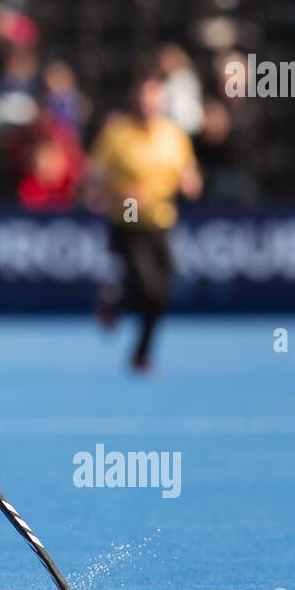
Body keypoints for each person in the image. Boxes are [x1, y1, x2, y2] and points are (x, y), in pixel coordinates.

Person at [83, 69, 201, 373]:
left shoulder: (173, 136)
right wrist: (120, 194)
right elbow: (93, 180)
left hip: (161, 224)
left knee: (161, 294)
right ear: (133, 100)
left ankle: (122, 314)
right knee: (149, 290)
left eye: (153, 97)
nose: (148, 104)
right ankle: (138, 347)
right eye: (142, 97)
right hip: (127, 226)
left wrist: (190, 183)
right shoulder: (116, 135)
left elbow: (190, 176)